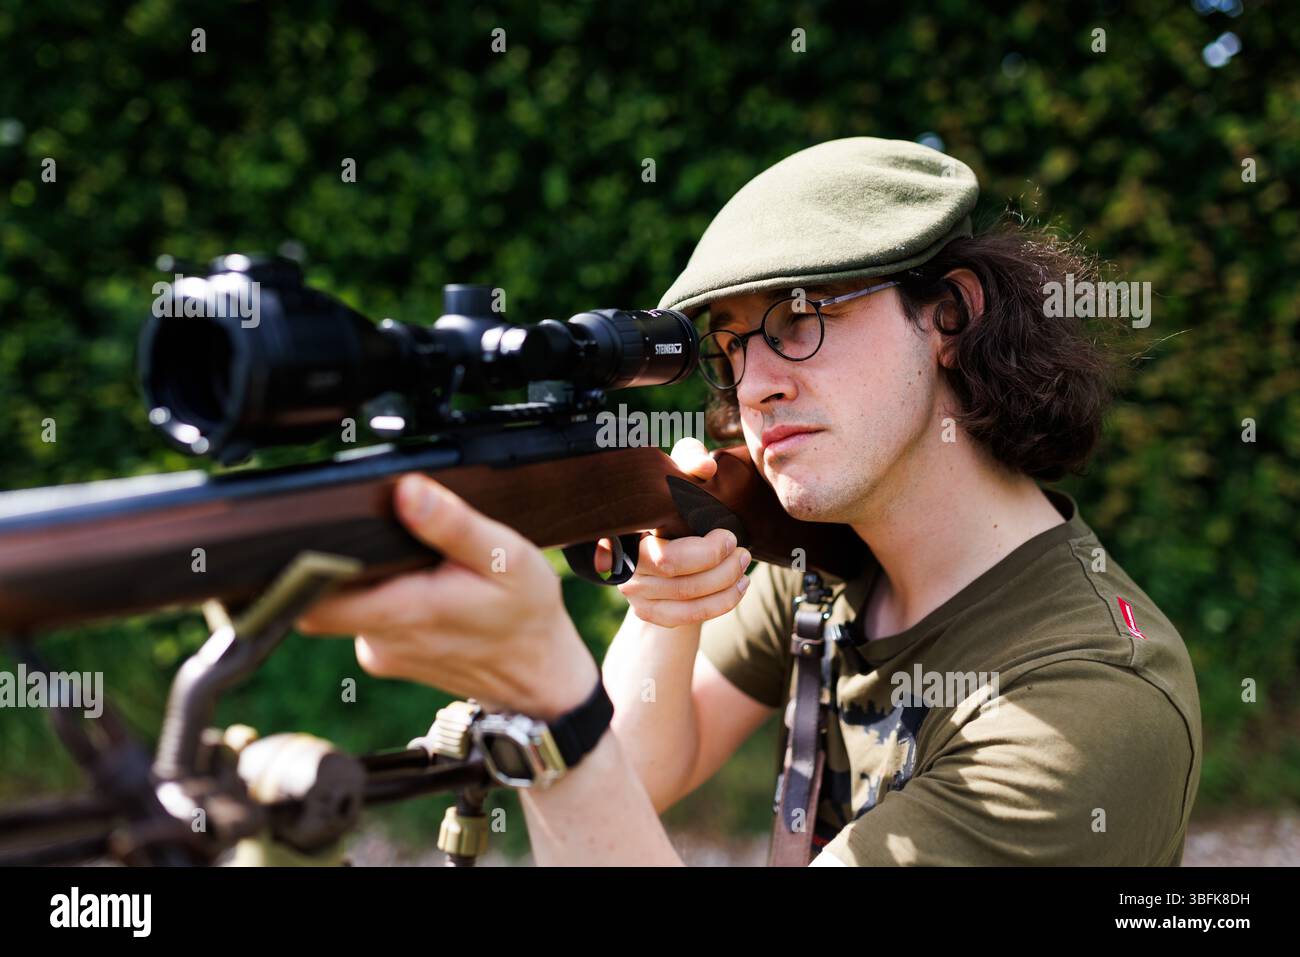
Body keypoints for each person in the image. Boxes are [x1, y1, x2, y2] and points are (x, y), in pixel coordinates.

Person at [297, 137, 1201, 866]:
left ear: (951, 318)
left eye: (800, 320)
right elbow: (642, 773)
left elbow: (593, 792)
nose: (754, 385)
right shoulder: (822, 551)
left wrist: (542, 684)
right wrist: (669, 587)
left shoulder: (1086, 711)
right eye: (730, 348)